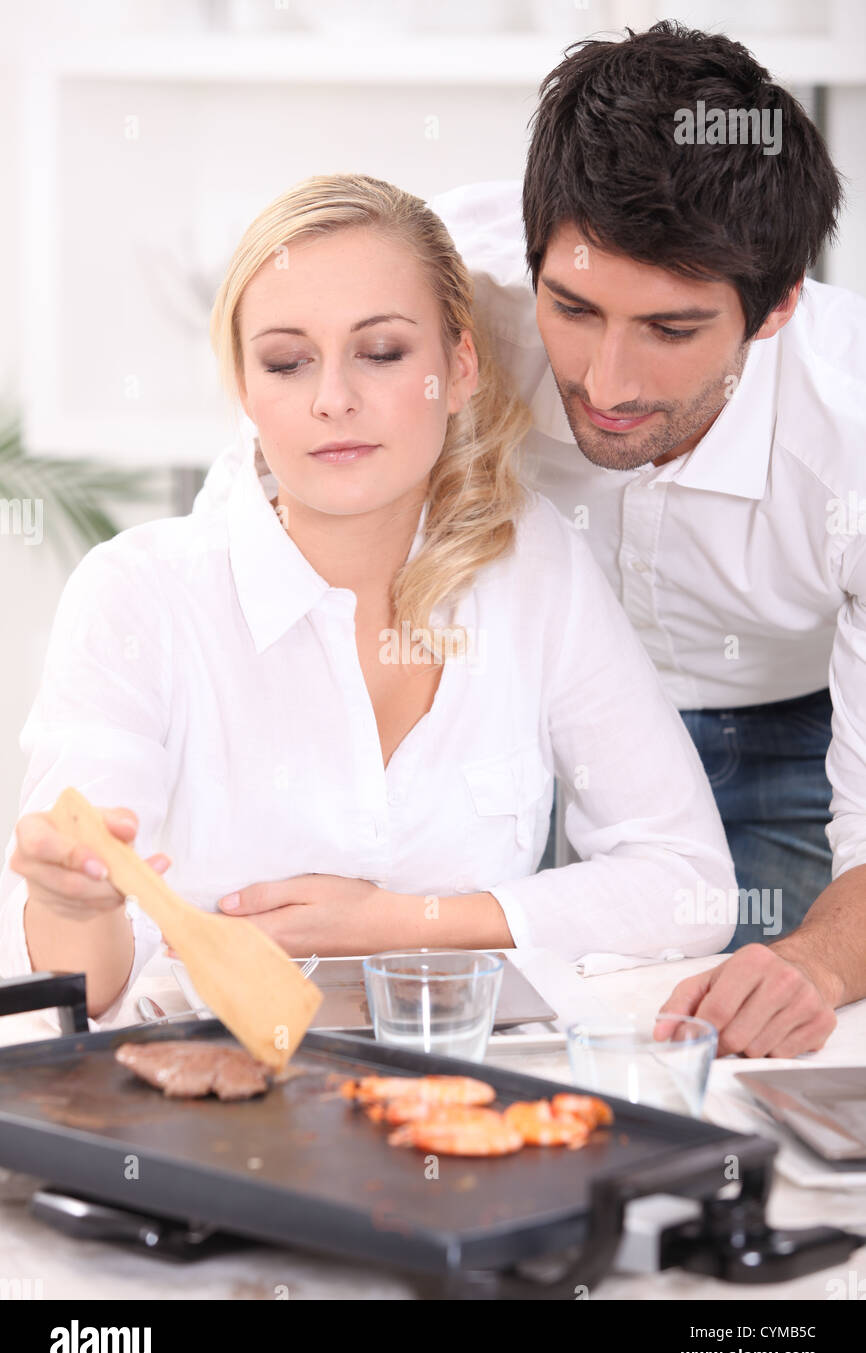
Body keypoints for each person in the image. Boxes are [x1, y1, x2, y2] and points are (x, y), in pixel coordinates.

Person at [192, 23, 862, 1060]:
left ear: (773, 307)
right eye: (573, 308)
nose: (605, 381)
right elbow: (260, 507)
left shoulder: (848, 438)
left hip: (784, 732)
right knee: (464, 1038)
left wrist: (812, 962)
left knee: (744, 1040)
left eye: (671, 330)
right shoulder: (439, 293)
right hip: (510, 711)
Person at [0, 173, 737, 1027]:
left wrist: (401, 926)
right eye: (286, 362)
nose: (332, 399)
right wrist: (74, 908)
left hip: (462, 1103)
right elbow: (75, 994)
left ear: (458, 368)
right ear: (246, 390)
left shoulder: (534, 566)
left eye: (381, 352)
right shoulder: (137, 597)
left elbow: (688, 882)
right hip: (210, 1107)